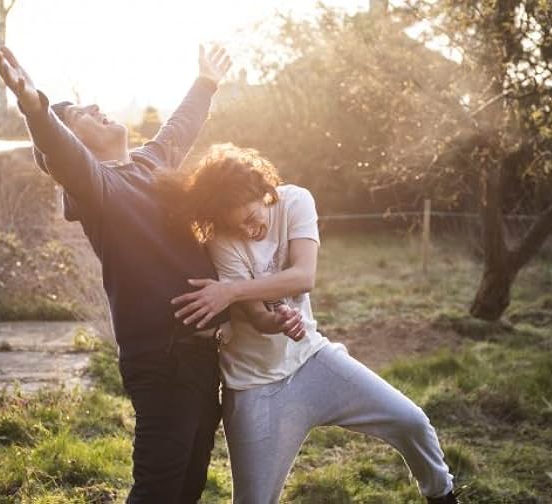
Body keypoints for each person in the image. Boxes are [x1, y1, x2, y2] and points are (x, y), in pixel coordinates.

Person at [0, 45, 263, 503]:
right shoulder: (98, 190)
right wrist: (35, 106)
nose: (95, 109)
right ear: (72, 141)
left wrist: (206, 82)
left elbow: (179, 129)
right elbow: (62, 156)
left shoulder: (150, 164)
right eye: (79, 115)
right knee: (158, 491)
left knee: (188, 487)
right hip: (164, 360)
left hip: (202, 359)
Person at [168, 143, 458, 504]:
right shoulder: (221, 242)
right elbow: (258, 317)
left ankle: (443, 495)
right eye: (234, 224)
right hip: (254, 387)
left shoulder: (296, 202)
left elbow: (303, 276)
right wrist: (279, 319)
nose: (247, 230)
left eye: (250, 216)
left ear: (263, 191)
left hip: (312, 360)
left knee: (410, 421)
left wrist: (230, 291)